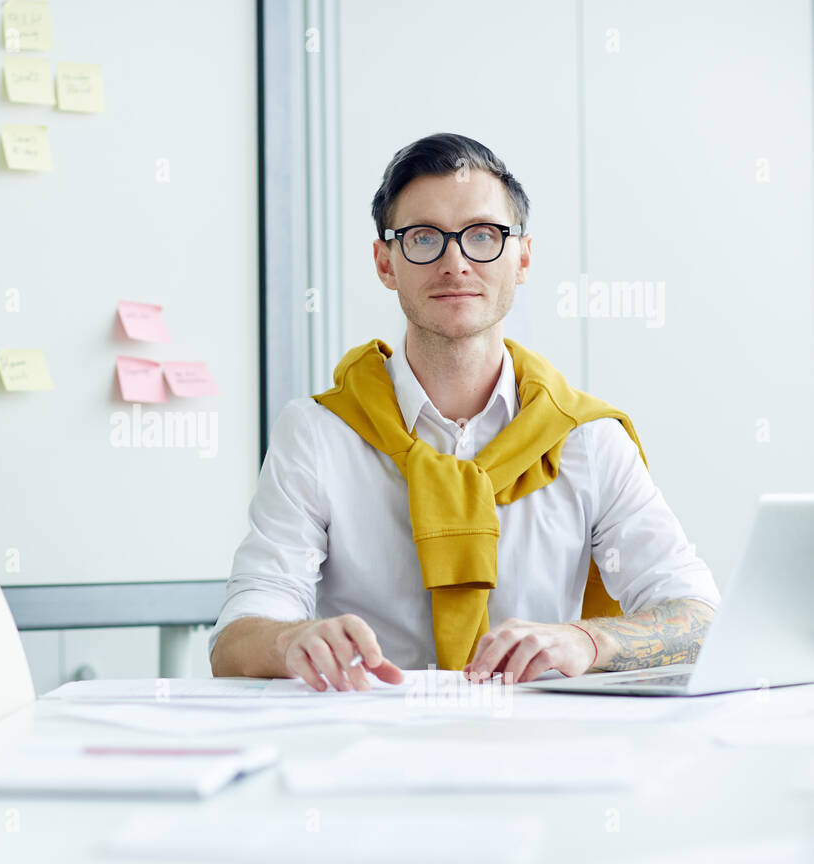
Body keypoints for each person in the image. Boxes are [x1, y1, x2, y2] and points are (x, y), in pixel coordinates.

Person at [209, 132, 720, 692]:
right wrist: (288, 642)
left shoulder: (588, 440)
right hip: (367, 749)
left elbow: (700, 618)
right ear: (385, 262)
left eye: (483, 235)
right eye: (424, 237)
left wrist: (586, 640)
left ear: (522, 257)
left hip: (546, 751)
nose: (455, 262)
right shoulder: (315, 433)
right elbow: (236, 639)